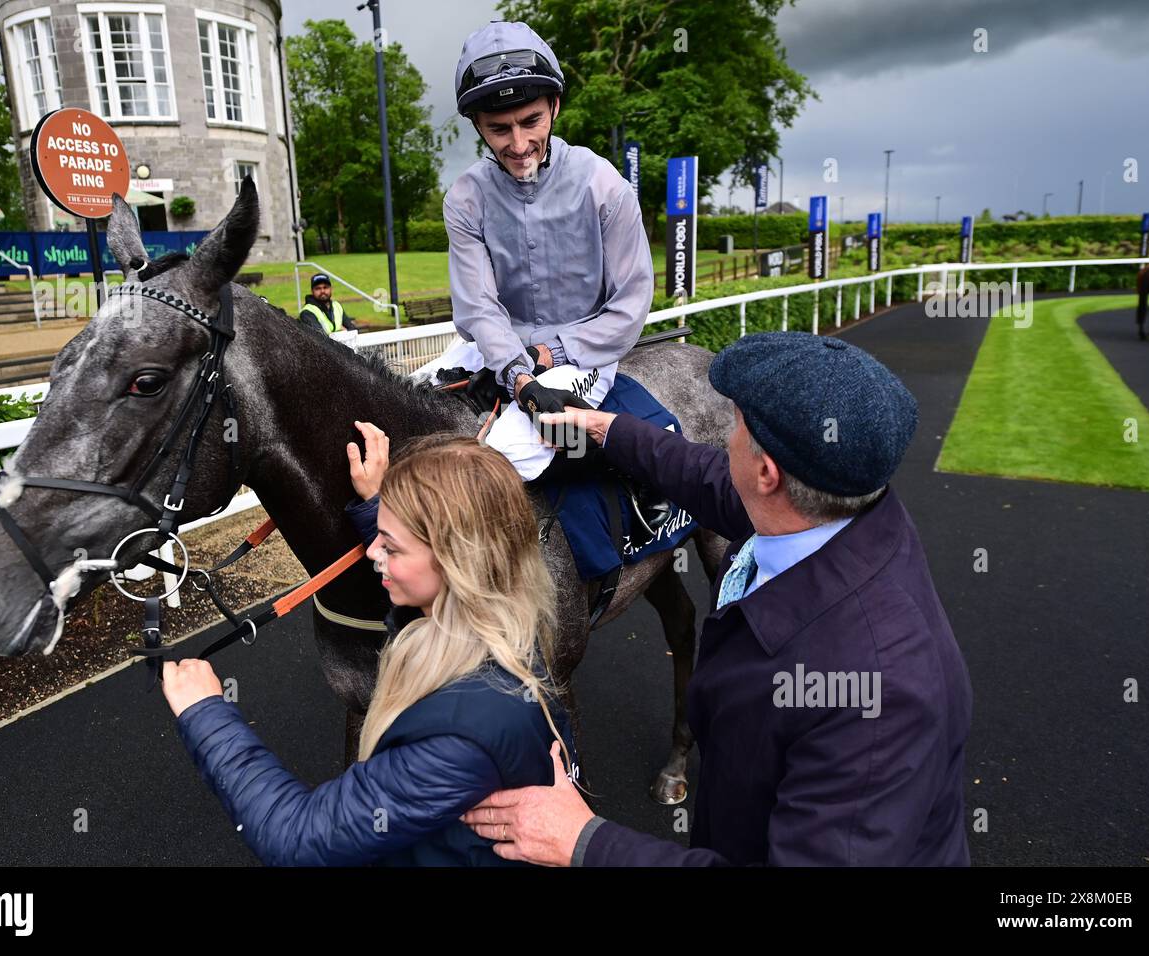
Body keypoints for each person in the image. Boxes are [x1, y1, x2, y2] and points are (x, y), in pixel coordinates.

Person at [462, 332, 974, 866]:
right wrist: (603, 426)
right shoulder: (826, 510)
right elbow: (707, 479)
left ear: (767, 473)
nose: (725, 438)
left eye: (734, 428)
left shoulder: (879, 697)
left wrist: (585, 842)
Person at [163, 423, 578, 866]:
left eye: (392, 548)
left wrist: (206, 713)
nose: (374, 553)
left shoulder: (458, 733)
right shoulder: (507, 611)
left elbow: (298, 839)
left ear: (458, 561)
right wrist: (379, 507)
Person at [412, 21, 656, 496]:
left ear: (555, 108)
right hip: (497, 345)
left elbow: (630, 306)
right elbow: (478, 309)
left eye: (531, 122)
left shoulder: (605, 186)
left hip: (587, 351)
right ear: (478, 126)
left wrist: (550, 354)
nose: (519, 144)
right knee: (399, 406)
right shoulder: (464, 199)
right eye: (499, 129)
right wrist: (518, 373)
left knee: (491, 466)